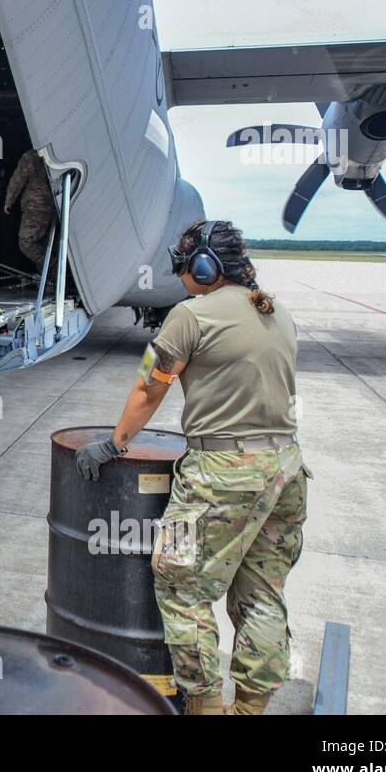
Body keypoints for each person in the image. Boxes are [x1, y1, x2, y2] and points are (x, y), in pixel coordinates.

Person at [75, 220, 308, 716]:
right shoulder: (276, 311)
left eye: (184, 266)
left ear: (206, 267)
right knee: (262, 593)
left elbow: (149, 388)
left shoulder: (189, 315)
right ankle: (250, 708)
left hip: (221, 474)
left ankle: (204, 705)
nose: (180, 276)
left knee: (179, 584)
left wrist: (115, 444)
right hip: (286, 471)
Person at [3, 149, 55, 269]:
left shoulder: (31, 156)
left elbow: (17, 179)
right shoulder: (57, 151)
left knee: (26, 243)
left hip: (36, 206)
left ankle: (54, 266)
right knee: (43, 244)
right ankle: (48, 280)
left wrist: (9, 201)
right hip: (54, 206)